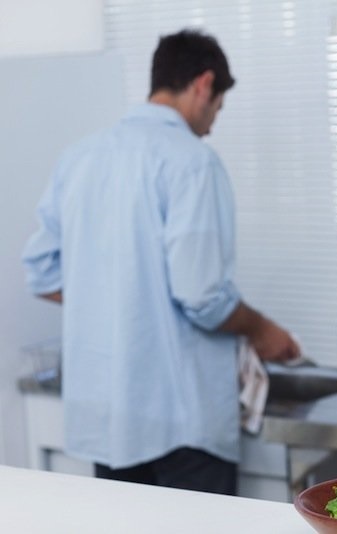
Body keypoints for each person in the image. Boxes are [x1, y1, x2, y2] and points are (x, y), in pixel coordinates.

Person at [21, 29, 299, 496]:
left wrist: (114, 298)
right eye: (217, 109)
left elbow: (41, 273)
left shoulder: (80, 158)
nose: (211, 125)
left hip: (108, 418)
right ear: (204, 84)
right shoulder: (193, 162)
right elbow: (202, 296)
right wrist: (260, 328)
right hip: (179, 422)